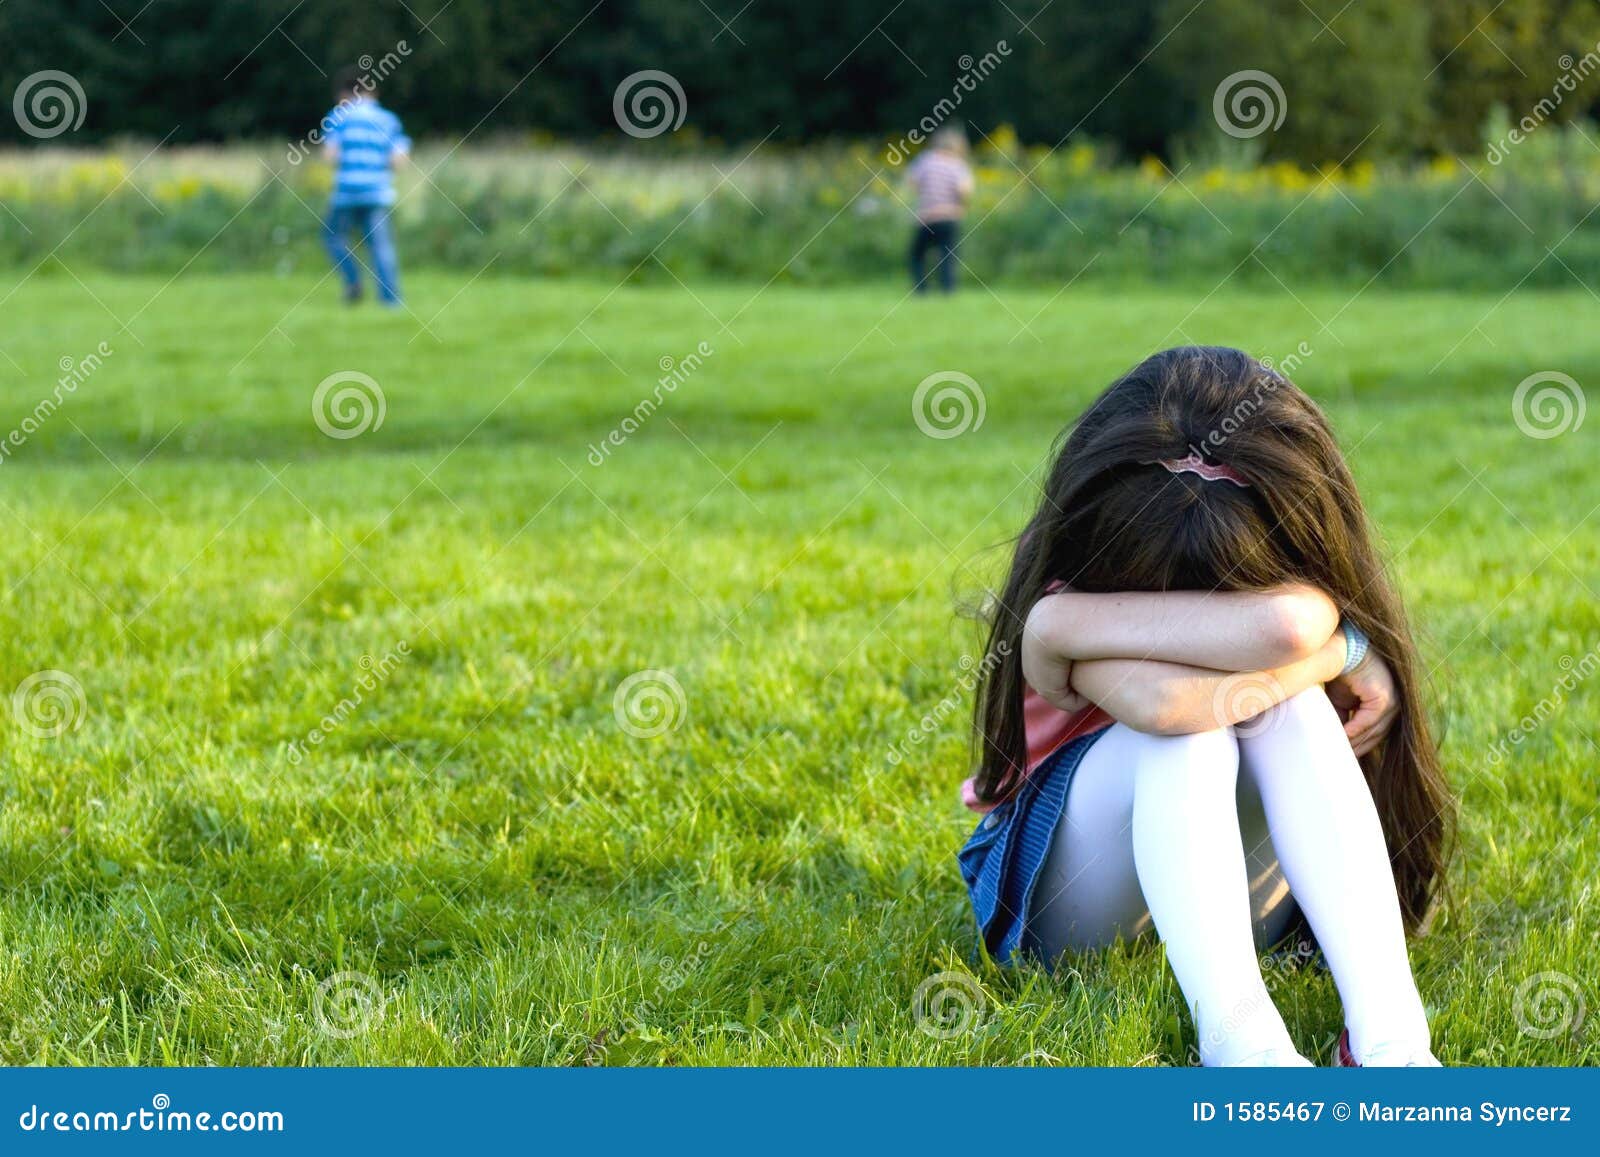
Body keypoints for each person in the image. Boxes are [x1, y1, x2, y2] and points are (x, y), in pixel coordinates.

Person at [960, 346, 1456, 1067]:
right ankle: (1243, 1048)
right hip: (1060, 900)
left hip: (1236, 892)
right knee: (1190, 735)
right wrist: (1339, 652)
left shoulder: (1282, 555)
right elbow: (1173, 703)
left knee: (1288, 710)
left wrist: (1333, 651)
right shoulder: (1071, 575)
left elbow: (1288, 626)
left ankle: (1390, 1038)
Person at [321, 67, 411, 306]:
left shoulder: (338, 117)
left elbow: (330, 156)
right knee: (380, 247)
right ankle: (390, 300)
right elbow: (399, 161)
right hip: (377, 191)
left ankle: (353, 282)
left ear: (345, 93)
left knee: (333, 237)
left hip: (346, 192)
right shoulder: (388, 119)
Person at [905, 126, 974, 293]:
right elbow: (965, 190)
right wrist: (962, 206)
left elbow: (912, 182)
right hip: (950, 216)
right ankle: (948, 289)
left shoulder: (925, 160)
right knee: (947, 256)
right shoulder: (958, 164)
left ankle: (921, 289)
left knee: (917, 255)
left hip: (926, 217)